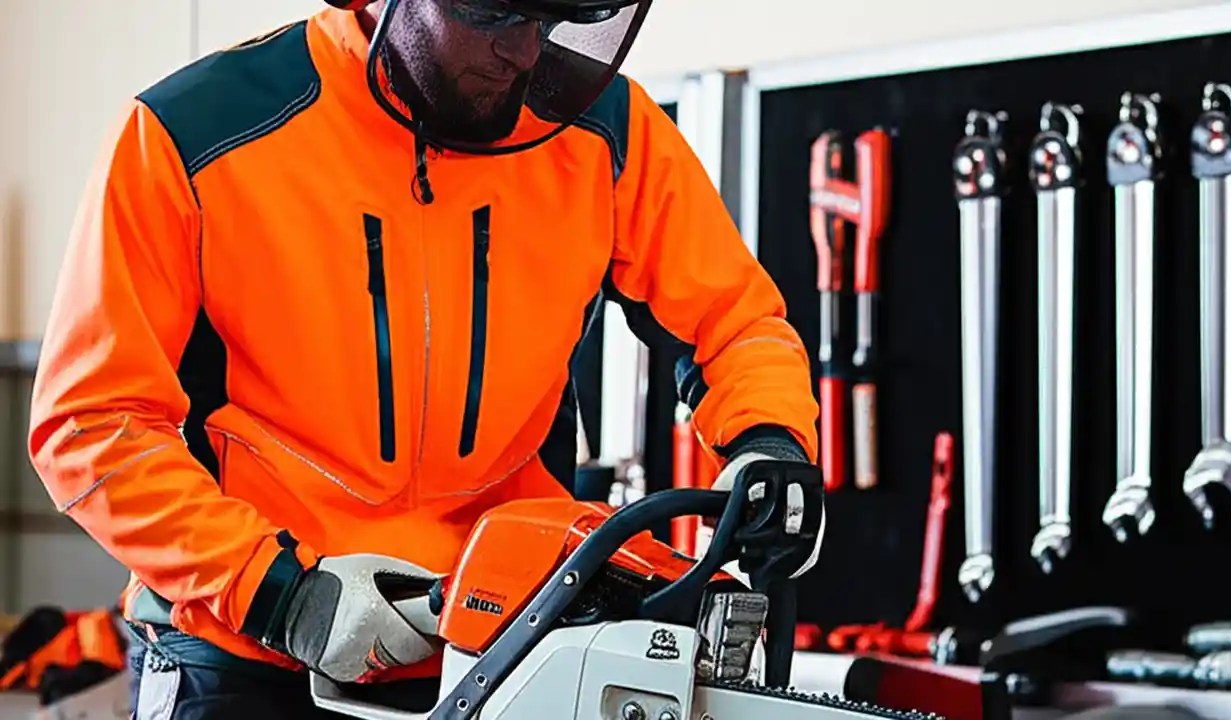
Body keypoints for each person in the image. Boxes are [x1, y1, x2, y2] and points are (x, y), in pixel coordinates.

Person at [26, 0, 825, 716]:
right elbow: (91, 422)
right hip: (241, 648)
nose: (522, 53)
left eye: (550, 21)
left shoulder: (608, 134)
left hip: (505, 640)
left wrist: (771, 439)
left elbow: (735, 322)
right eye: (494, 15)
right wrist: (278, 593)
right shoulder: (190, 133)